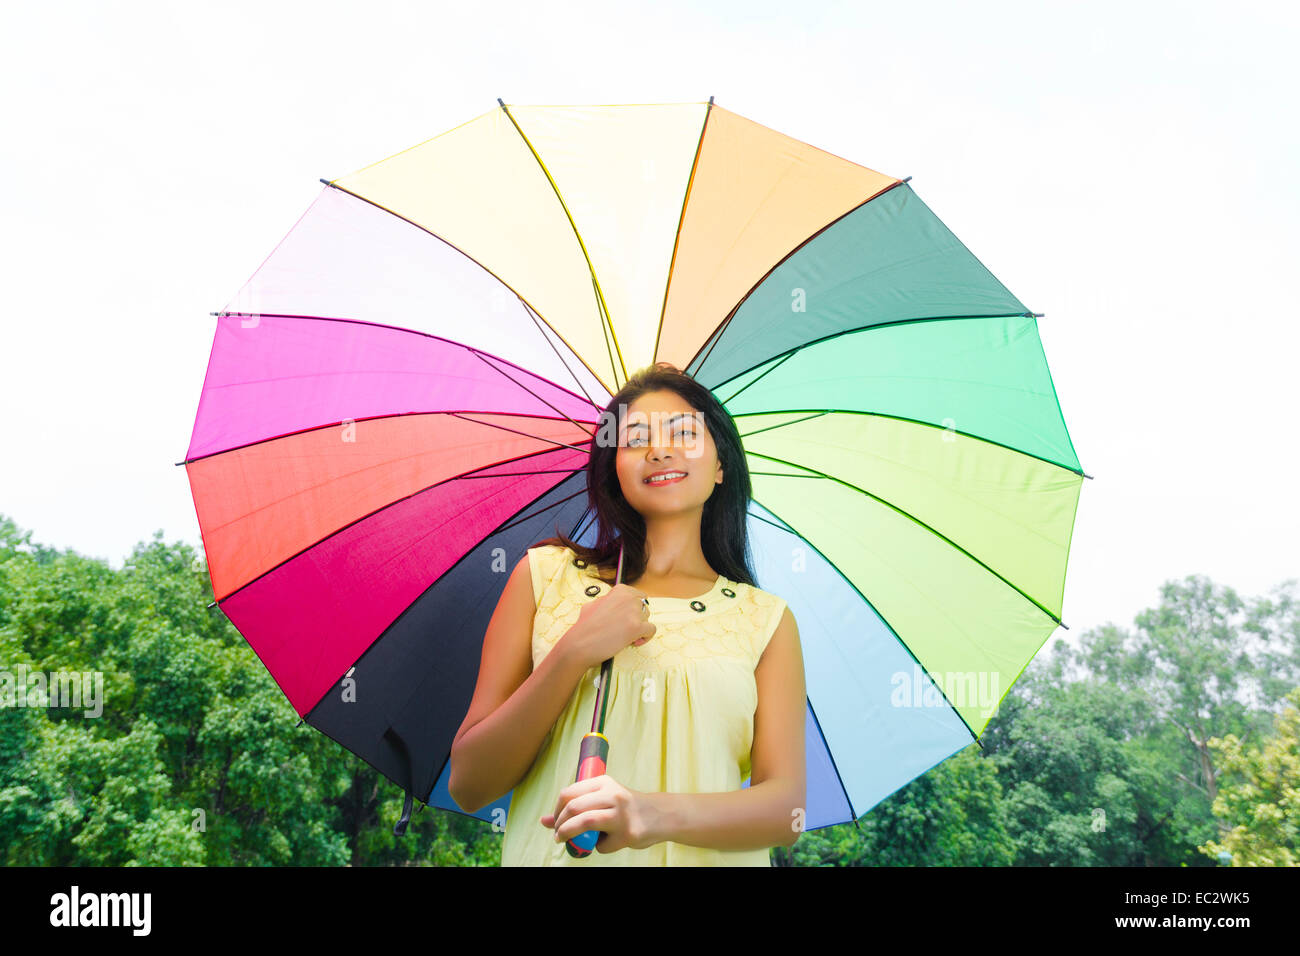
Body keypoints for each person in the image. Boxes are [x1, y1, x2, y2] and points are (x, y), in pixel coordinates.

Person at [448, 362, 806, 865]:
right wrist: (572, 652)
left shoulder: (764, 620)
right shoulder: (545, 577)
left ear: (721, 464)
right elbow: (469, 783)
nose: (659, 450)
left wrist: (646, 815)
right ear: (615, 469)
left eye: (683, 433)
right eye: (636, 438)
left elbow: (785, 810)